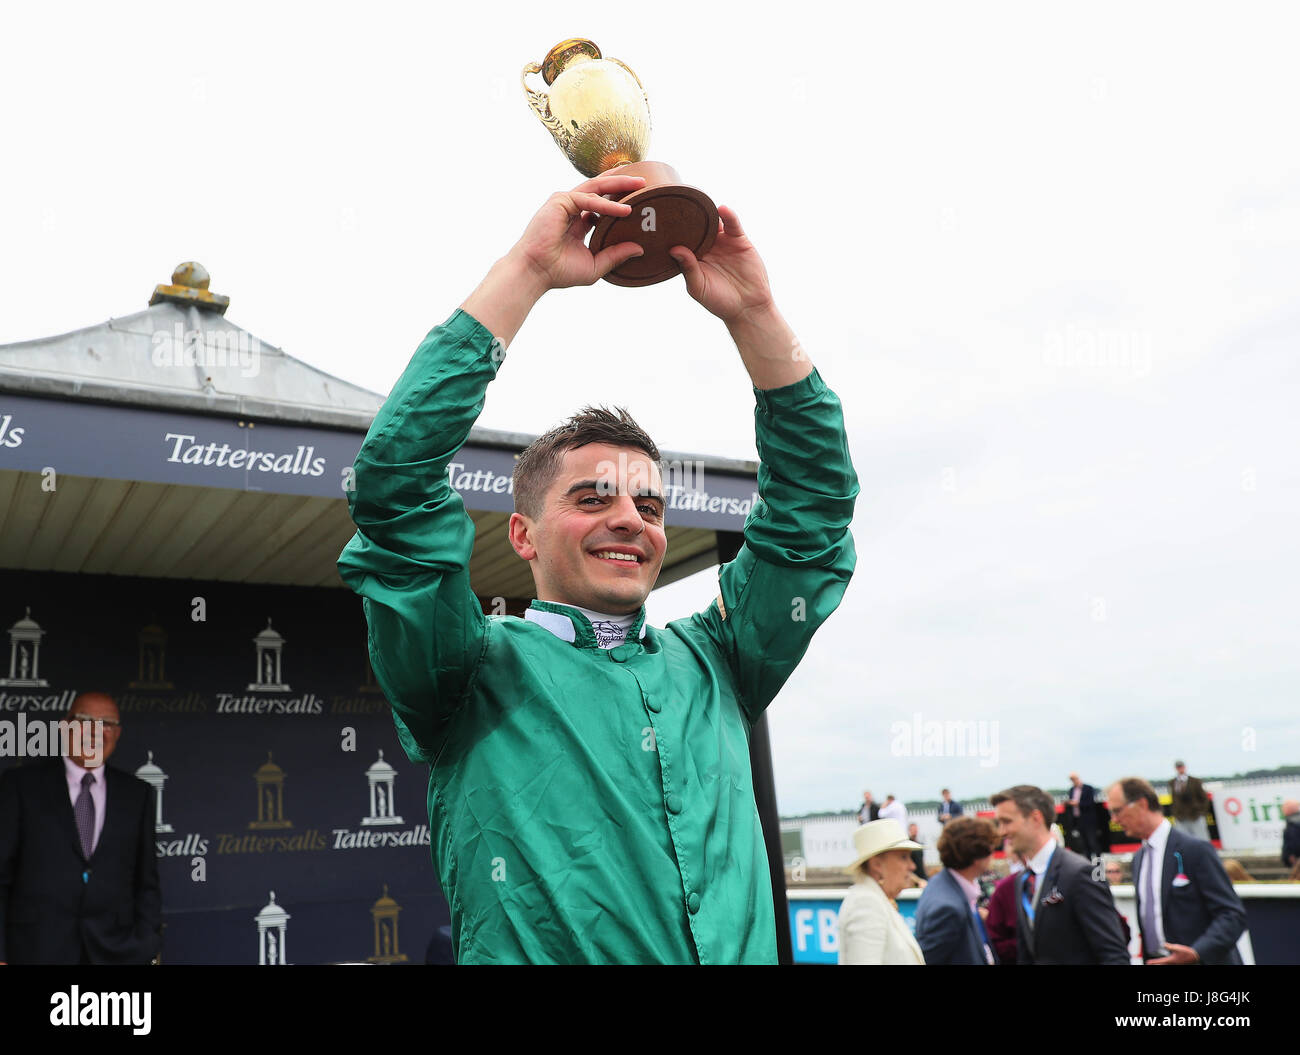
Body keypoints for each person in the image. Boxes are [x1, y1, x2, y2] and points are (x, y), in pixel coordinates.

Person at [337, 174, 858, 965]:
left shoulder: (720, 659)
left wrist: (754, 313)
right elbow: (394, 485)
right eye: (593, 498)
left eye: (650, 506)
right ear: (523, 534)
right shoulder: (465, 673)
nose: (629, 519)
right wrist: (527, 270)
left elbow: (813, 513)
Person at [0, 692, 161, 964]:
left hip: (116, 953)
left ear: (117, 733)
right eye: (85, 720)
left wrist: (146, 944)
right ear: (65, 727)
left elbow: (147, 883)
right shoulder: (21, 785)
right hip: (35, 951)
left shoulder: (137, 794)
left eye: (106, 723)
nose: (96, 731)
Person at [1106, 777, 1246, 964]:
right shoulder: (1139, 858)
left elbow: (1232, 915)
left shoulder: (1196, 850)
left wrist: (1196, 953)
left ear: (1141, 804)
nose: (1114, 819)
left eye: (1117, 811)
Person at [991, 784, 1129, 965]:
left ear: (1035, 818)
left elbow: (1113, 954)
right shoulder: (1022, 881)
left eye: (1007, 821)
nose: (1001, 832)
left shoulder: (1080, 873)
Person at [837, 820, 925, 965]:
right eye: (903, 857)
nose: (912, 866)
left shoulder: (876, 900)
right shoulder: (866, 903)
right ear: (877, 864)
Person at [914, 817, 999, 964]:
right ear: (977, 856)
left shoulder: (944, 884)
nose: (993, 855)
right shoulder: (948, 909)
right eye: (991, 849)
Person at [1169, 761, 1210, 842]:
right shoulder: (1172, 783)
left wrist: (1201, 812)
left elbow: (1204, 798)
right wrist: (1176, 813)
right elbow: (1174, 799)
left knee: (1202, 839)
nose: (1180, 769)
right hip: (1181, 817)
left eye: (1181, 767)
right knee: (1185, 840)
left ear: (1185, 767)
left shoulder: (1195, 781)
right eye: (1178, 767)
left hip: (1195, 815)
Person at [1065, 772, 1102, 859]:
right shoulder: (1072, 790)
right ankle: (1088, 862)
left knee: (1092, 842)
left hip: (1089, 820)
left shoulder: (1088, 788)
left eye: (1074, 779)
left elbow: (1090, 803)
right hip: (1078, 820)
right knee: (1084, 844)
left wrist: (1077, 803)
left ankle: (1098, 861)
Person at [1281, 799, 1300, 870]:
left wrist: (1290, 855)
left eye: (1284, 808)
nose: (1283, 810)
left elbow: (1294, 843)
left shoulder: (1293, 823)